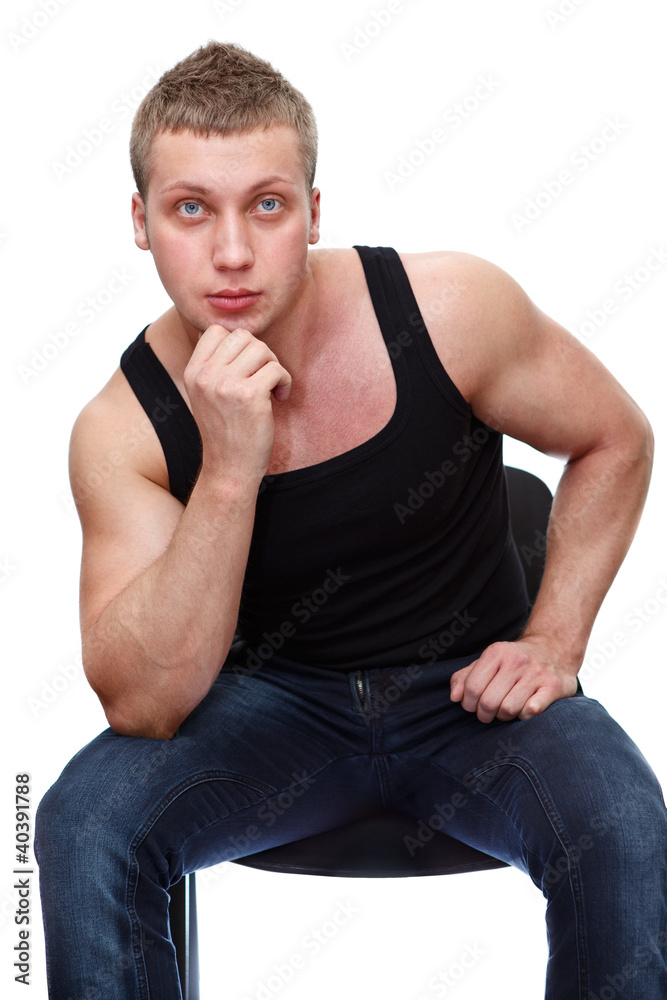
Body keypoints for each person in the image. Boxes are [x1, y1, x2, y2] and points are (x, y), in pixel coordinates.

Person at [35, 40, 666, 1000]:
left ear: (314, 213)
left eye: (268, 206)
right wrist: (229, 472)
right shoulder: (123, 428)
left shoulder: (450, 309)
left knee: (622, 816)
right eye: (191, 210)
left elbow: (614, 438)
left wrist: (554, 639)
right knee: (82, 821)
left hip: (476, 704)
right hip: (270, 714)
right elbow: (144, 704)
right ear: (141, 222)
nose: (233, 252)